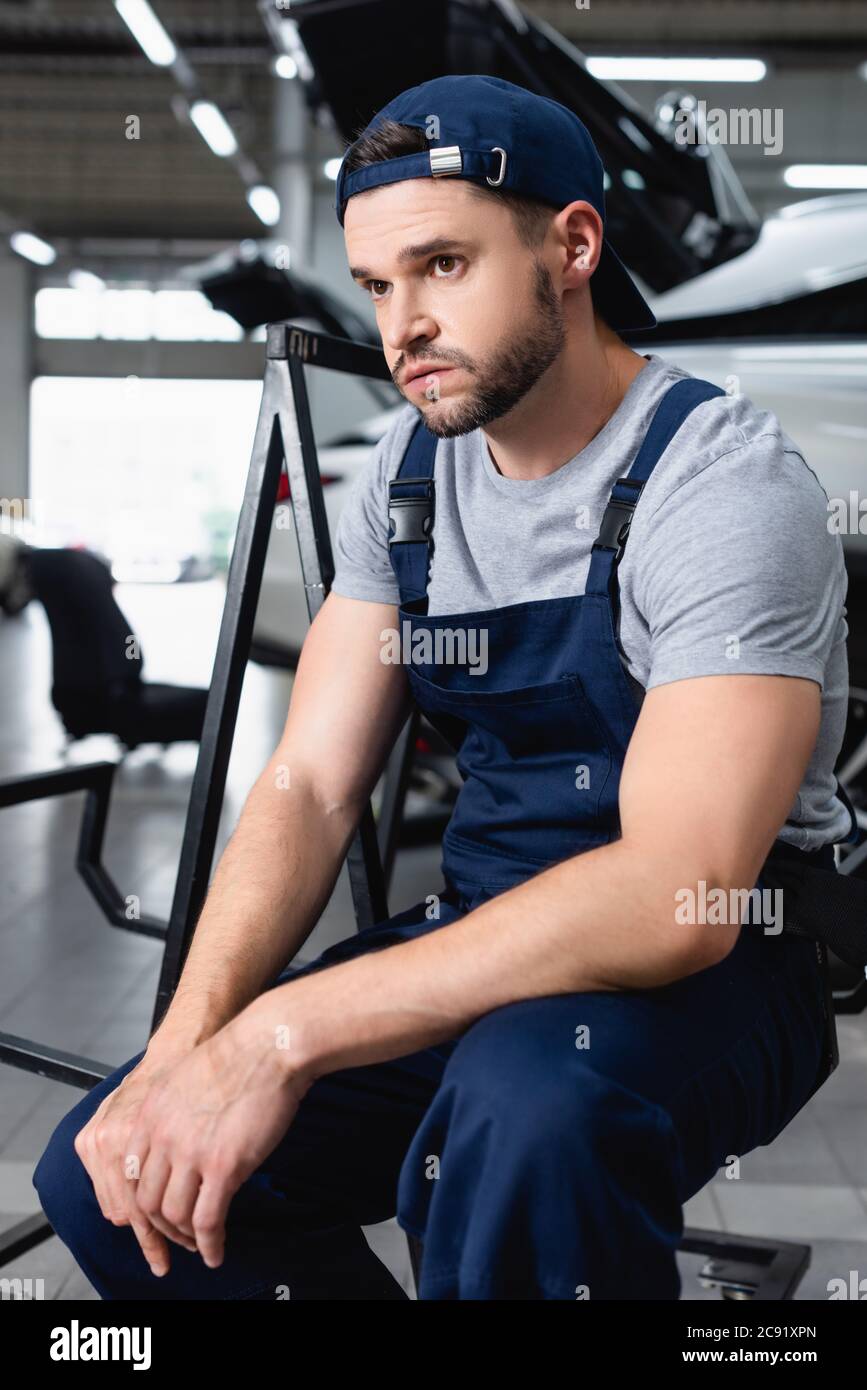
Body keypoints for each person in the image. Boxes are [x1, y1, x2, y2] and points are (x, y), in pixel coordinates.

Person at [33, 74, 853, 1301]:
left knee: (526, 1118)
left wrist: (282, 1031)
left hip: (727, 960)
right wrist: (184, 1052)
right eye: (377, 285)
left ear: (571, 247)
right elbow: (311, 783)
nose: (400, 324)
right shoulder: (406, 478)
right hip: (487, 917)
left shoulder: (722, 485)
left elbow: (680, 897)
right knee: (113, 1173)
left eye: (443, 267)